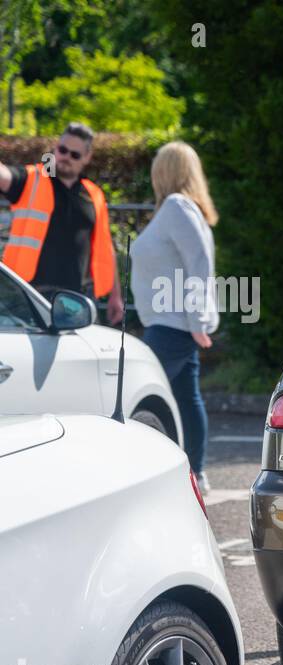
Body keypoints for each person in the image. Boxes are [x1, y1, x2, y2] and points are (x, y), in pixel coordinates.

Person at [130, 141, 220, 490]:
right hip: (171, 323)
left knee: (131, 392)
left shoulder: (176, 207)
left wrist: (197, 322)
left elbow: (199, 263)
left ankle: (141, 471)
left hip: (173, 325)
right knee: (186, 396)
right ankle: (196, 473)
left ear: (165, 171)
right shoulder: (182, 209)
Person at [0, 122, 125, 323]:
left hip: (78, 300)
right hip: (30, 297)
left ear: (87, 158)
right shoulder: (34, 179)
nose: (66, 157)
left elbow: (106, 248)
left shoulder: (93, 194)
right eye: (62, 150)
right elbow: (4, 175)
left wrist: (115, 296)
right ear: (55, 148)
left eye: (74, 155)